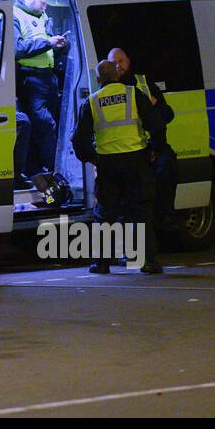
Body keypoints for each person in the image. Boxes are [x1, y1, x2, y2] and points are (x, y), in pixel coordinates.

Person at [71, 60, 167, 274]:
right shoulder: (134, 95)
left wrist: (92, 157)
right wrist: (155, 148)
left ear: (98, 80)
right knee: (142, 210)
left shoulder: (92, 102)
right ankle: (148, 261)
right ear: (118, 75)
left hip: (108, 164)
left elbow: (79, 140)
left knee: (105, 213)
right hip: (137, 160)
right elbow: (157, 125)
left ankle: (101, 263)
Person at [108, 47, 179, 218]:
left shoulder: (144, 84)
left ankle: (165, 219)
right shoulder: (105, 90)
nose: (118, 66)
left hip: (149, 147)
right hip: (124, 150)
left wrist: (153, 103)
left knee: (166, 165)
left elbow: (167, 115)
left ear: (128, 61)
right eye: (113, 63)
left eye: (121, 61)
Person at [14, 0, 68, 175]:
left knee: (51, 125)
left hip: (49, 78)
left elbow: (48, 41)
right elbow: (17, 49)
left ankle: (45, 169)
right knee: (45, 124)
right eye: (44, 1)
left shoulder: (43, 15)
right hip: (31, 80)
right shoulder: (15, 14)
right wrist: (48, 42)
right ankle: (54, 170)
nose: (46, 6)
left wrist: (59, 44)